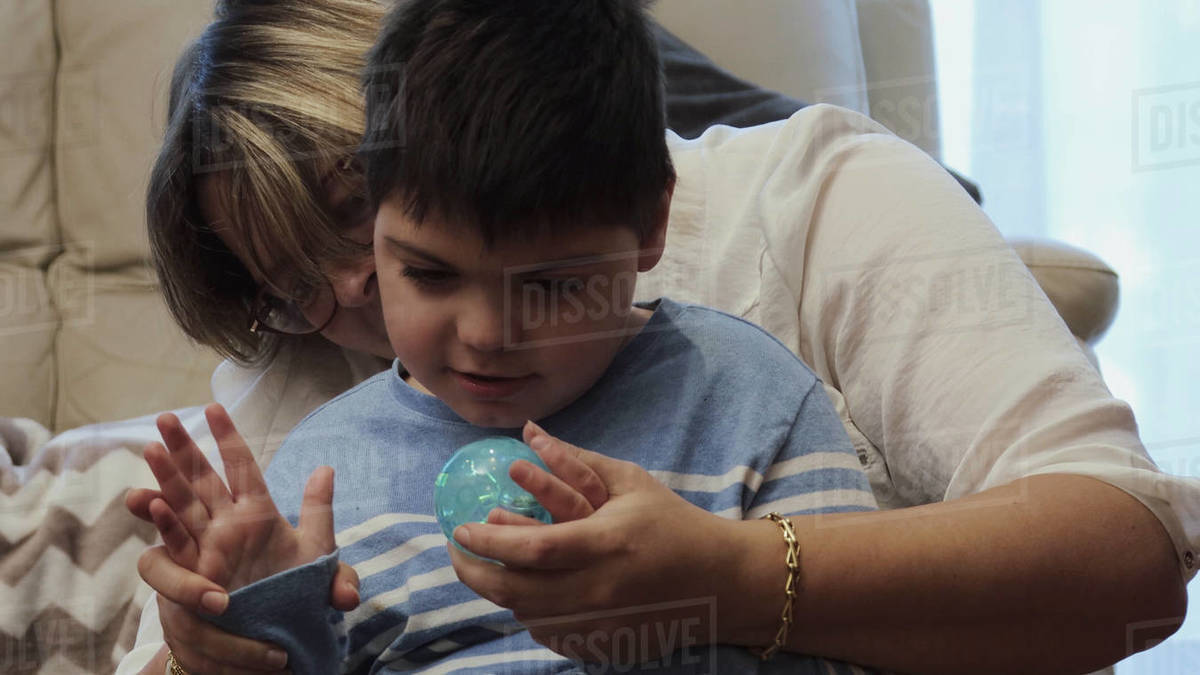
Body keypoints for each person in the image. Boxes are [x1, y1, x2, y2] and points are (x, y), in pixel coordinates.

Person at [119, 0, 1196, 673]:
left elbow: (1132, 566)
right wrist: (221, 646)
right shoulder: (306, 399)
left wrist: (725, 577)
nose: (360, 300)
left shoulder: (805, 222)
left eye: (356, 217)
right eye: (296, 280)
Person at [136, 2, 882, 673]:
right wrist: (247, 637)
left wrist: (702, 596)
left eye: (551, 286)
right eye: (296, 283)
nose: (488, 336)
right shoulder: (309, 474)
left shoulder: (749, 392)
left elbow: (857, 639)